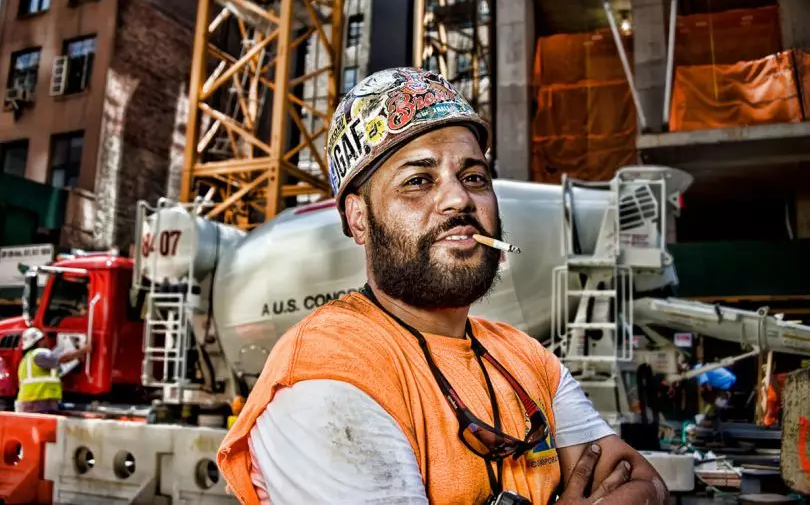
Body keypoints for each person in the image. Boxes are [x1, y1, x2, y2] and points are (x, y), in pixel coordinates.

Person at [218, 67, 669, 505]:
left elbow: (645, 486)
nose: (458, 199)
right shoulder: (327, 375)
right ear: (358, 219)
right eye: (418, 181)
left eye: (473, 177)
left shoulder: (526, 359)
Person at [16, 327, 91, 414]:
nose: (45, 341)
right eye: (42, 339)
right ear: (38, 342)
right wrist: (84, 350)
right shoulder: (39, 354)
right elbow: (62, 359)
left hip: (34, 402)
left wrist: (76, 358)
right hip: (38, 403)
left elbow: (59, 369)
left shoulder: (28, 358)